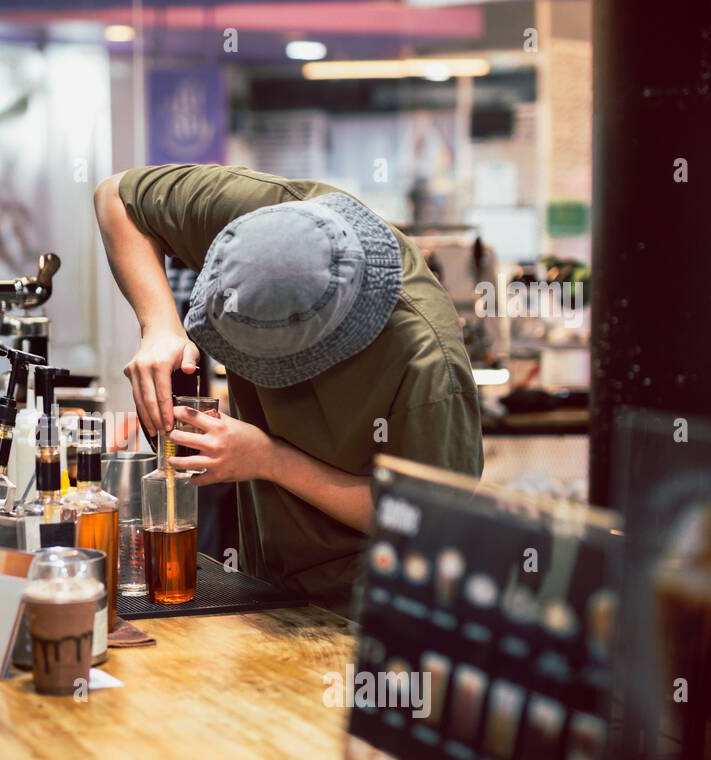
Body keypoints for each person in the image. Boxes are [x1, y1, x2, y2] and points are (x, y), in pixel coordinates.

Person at [94, 164, 483, 616]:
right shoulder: (261, 220)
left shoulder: (429, 367)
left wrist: (268, 459)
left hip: (370, 603)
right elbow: (115, 198)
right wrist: (158, 324)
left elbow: (426, 520)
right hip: (263, 577)